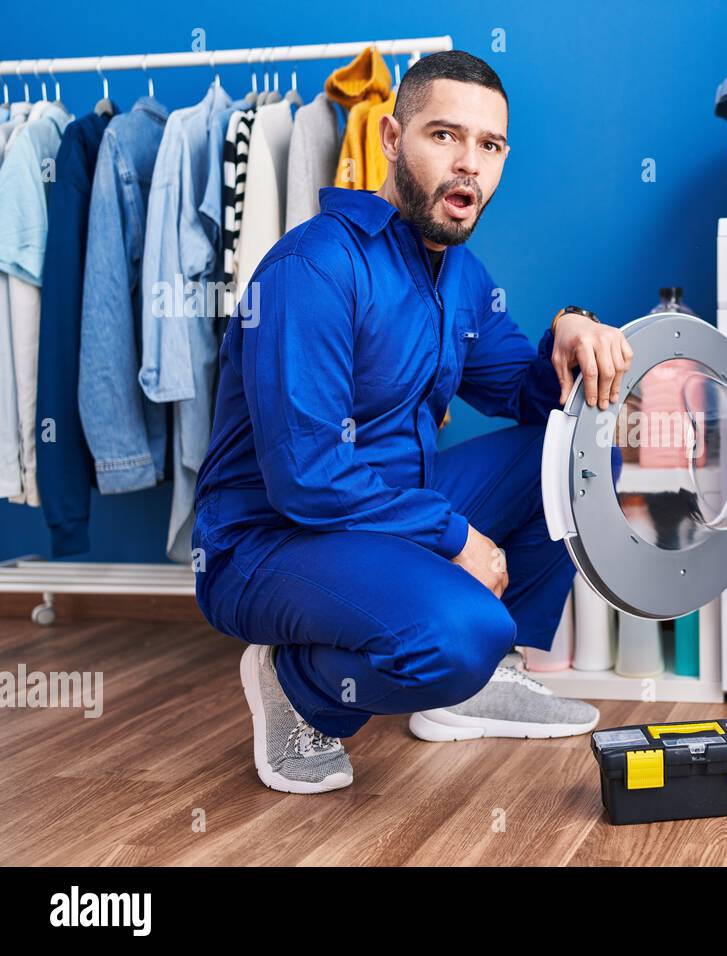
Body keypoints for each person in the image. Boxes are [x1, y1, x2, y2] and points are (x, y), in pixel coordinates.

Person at [192, 50, 633, 794]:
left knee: (578, 458)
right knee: (461, 631)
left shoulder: (461, 277)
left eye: (489, 146)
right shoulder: (314, 269)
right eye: (444, 136)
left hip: (387, 516)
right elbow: (307, 478)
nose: (469, 164)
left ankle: (484, 684)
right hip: (271, 540)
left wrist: (571, 327)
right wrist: (457, 537)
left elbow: (535, 401)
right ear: (393, 139)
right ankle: (295, 685)